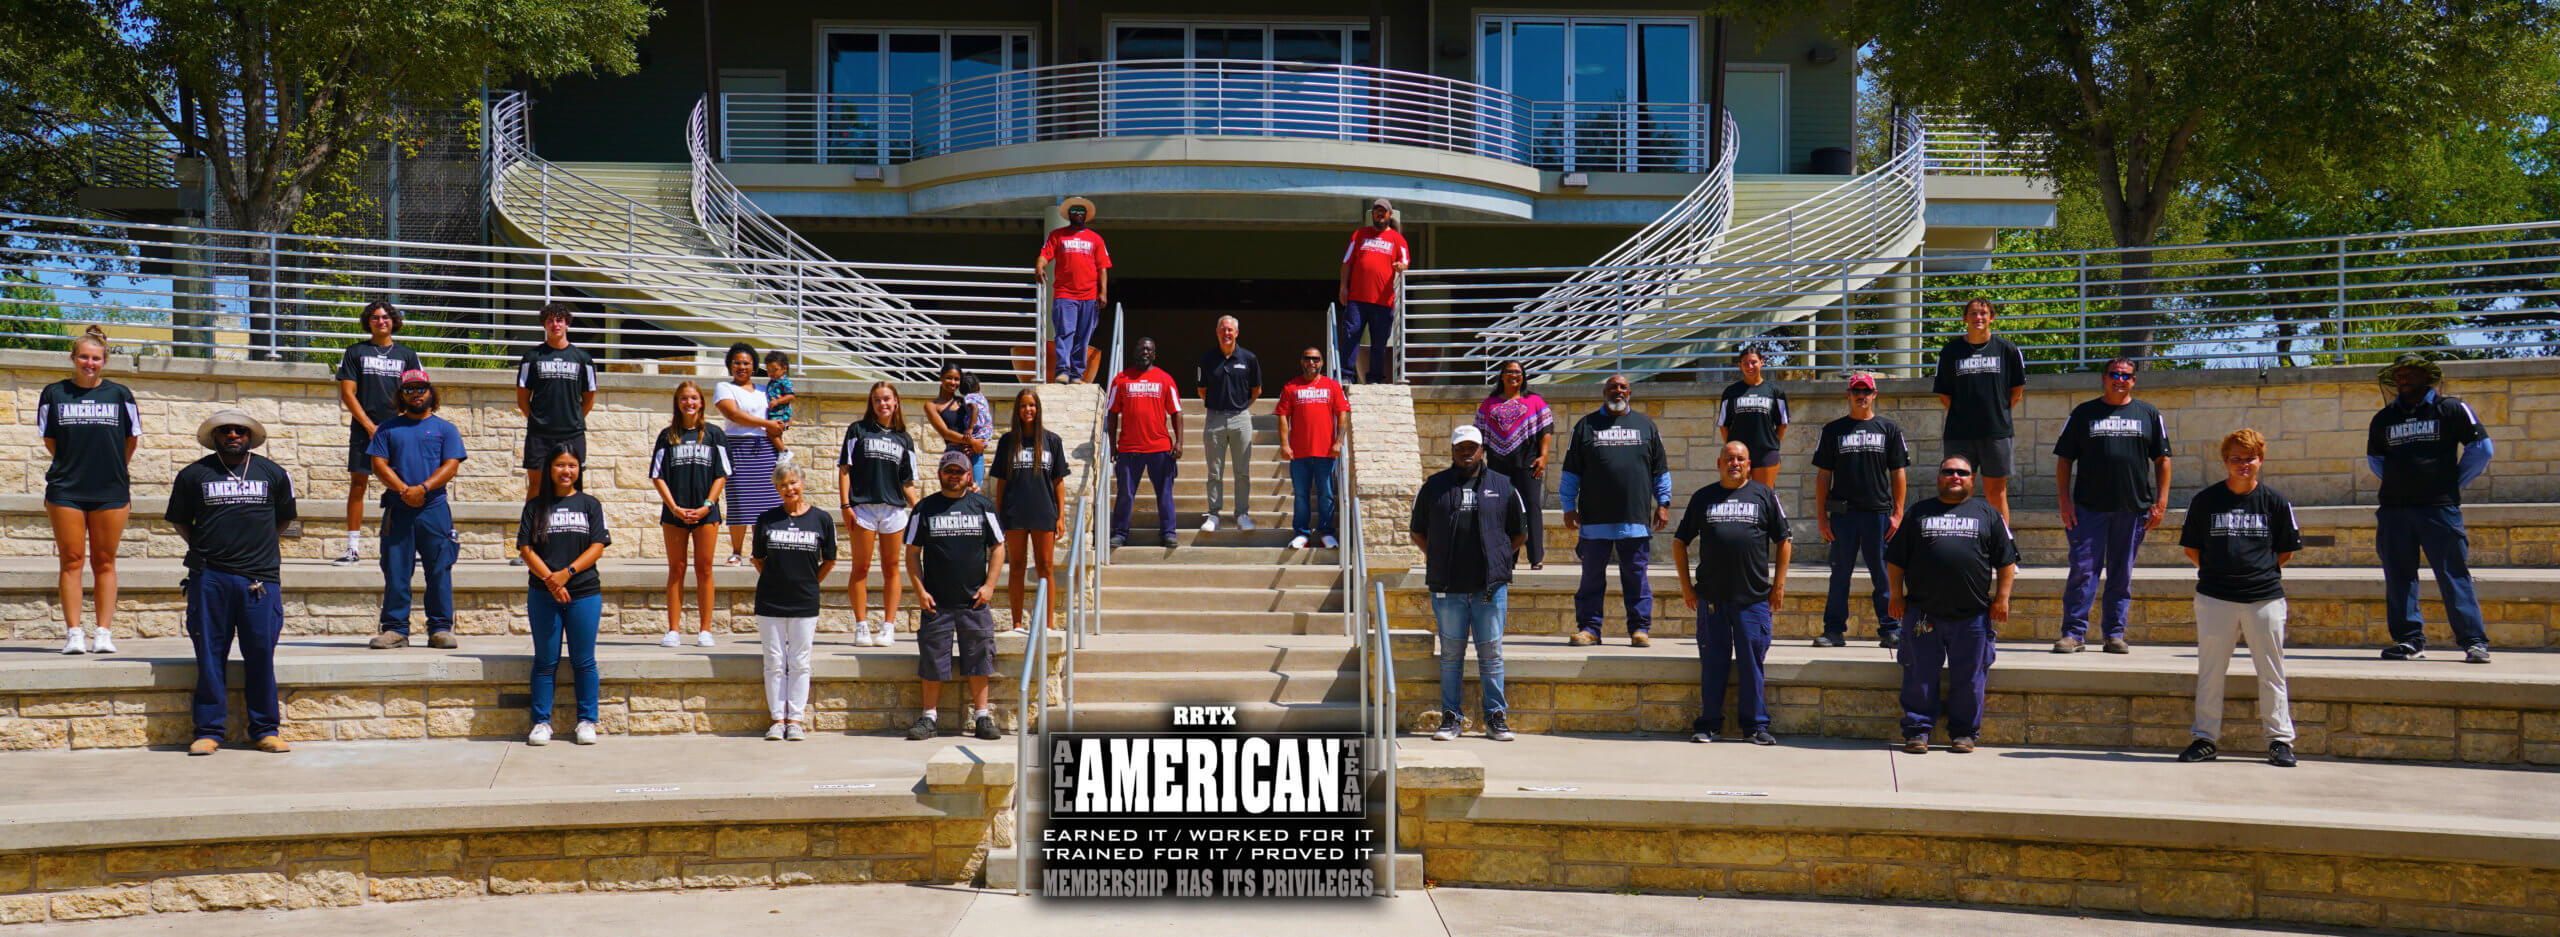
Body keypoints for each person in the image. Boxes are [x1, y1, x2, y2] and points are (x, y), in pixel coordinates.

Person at [170, 409, 296, 754]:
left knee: (260, 654)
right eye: (225, 431)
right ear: (215, 437)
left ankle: (265, 729)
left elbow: (284, 518)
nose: (232, 435)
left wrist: (257, 548)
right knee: (210, 655)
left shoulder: (272, 473)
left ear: (250, 436)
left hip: (260, 579)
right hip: (210, 577)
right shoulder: (194, 474)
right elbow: (181, 520)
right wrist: (206, 548)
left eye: (239, 430)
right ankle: (209, 731)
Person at [2179, 429, 2302, 768]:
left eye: (2249, 458)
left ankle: (2279, 741)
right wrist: (2223, 574)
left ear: (2260, 460)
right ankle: (2204, 739)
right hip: (2215, 598)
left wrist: (2253, 573)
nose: (2243, 464)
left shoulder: (2276, 503)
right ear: (2226, 461)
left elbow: (2286, 552)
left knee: (2271, 672)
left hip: (2264, 600)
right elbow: (2192, 549)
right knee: (2211, 671)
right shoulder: (2205, 501)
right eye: (2236, 458)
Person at [1885, 455, 2019, 754]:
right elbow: (1895, 559)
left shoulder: (1988, 514)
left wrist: (2002, 598)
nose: (1955, 476)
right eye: (1949, 471)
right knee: (1918, 673)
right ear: (1939, 478)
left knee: (1970, 678)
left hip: (1971, 616)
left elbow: (2007, 561)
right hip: (1923, 614)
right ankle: (1918, 731)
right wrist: (1895, 595)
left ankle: (1964, 733)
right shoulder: (1919, 512)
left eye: (1962, 472)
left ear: (1973, 479)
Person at [2368, 354, 2495, 663]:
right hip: (2394, 510)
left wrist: (2449, 484)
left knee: (2453, 574)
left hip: (2439, 509)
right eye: (2398, 374)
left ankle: (2474, 642)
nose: (2403, 378)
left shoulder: (2450, 408)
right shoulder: (2383, 418)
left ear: (2427, 377)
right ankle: (2409, 641)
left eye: (2410, 372)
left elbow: (2482, 450)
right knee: (2398, 576)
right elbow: (2377, 461)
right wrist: (2406, 483)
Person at [1410, 425, 1526, 742]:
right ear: (1452, 451)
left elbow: (1520, 532)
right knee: (1451, 656)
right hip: (1448, 589)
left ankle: (1495, 718)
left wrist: (1497, 557)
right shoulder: (1434, 487)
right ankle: (1452, 719)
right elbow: (1418, 530)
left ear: (1481, 450)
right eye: (1461, 447)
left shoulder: (1503, 486)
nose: (1467, 452)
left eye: (1472, 447)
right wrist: (1438, 557)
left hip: (1489, 588)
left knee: (1491, 654)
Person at [1673, 442, 1793, 745]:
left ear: (1749, 464)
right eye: (1729, 459)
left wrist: (1778, 586)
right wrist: (1687, 587)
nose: (1734, 463)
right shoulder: (1703, 498)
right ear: (1719, 463)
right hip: (1712, 600)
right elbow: (1679, 542)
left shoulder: (1765, 496)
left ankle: (1754, 726)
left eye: (1740, 458)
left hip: (1752, 599)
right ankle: (1708, 724)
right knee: (1713, 664)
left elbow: (1784, 540)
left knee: (1752, 665)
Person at [2052, 357, 2172, 654]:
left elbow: (2163, 460)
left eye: (2126, 376)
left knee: (2121, 573)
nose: (2120, 379)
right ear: (2103, 378)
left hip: (2132, 509)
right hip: (2087, 509)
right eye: (2114, 374)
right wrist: (2064, 501)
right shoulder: (2084, 413)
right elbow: (2065, 459)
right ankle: (2074, 634)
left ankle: (2114, 634)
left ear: (2134, 380)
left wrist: (2162, 502)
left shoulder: (2148, 414)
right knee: (2083, 571)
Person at [40, 326, 139, 655]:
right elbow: (50, 440)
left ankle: (103, 632)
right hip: (66, 488)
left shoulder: (120, 394)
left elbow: (131, 438)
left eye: (95, 358)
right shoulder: (54, 394)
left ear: (104, 361)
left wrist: (111, 468)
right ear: (73, 358)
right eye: (83, 356)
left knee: (104, 561)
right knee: (71, 560)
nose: (89, 362)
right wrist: (75, 466)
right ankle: (73, 633)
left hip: (110, 489)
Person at [1560, 374, 1670, 647]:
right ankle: (1589, 629)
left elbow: (1660, 470)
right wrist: (1567, 506)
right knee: (1591, 579)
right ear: (1604, 392)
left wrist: (1663, 503)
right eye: (1612, 387)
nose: (1618, 391)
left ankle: (1639, 629)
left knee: (1636, 577)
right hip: (1594, 520)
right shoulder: (1585, 426)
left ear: (1630, 392)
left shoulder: (1646, 426)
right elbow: (1571, 471)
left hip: (1634, 519)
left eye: (1622, 387)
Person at [905, 451, 1006, 741]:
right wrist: (920, 591)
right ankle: (929, 718)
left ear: (968, 475)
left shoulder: (982, 506)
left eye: (959, 472)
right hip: (937, 602)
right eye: (949, 471)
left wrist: (989, 586)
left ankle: (982, 717)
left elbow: (998, 546)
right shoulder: (924, 508)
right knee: (933, 661)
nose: (954, 476)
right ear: (940, 474)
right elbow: (912, 553)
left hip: (974, 601)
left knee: (979, 659)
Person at [364, 369, 465, 650]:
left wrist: (424, 489)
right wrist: (404, 490)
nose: (416, 394)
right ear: (401, 395)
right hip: (399, 509)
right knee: (396, 570)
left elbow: (451, 465)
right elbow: (379, 465)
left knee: (439, 569)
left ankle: (440, 629)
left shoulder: (446, 429)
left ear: (431, 392)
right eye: (409, 390)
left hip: (434, 509)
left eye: (421, 388)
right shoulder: (387, 429)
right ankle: (396, 629)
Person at [1810, 373, 1908, 648]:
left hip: (1878, 515)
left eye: (1866, 391)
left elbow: (1898, 473)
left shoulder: (1889, 429)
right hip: (1843, 516)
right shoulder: (1833, 430)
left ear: (1875, 394)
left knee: (1883, 575)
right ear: (1848, 394)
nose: (1861, 395)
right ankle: (1833, 631)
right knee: (1840, 574)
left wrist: (1898, 513)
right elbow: (1823, 477)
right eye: (1856, 391)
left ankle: (1890, 629)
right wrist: (1821, 518)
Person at [518, 449, 609, 746]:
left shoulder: (590, 504)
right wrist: (551, 581)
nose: (566, 471)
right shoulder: (535, 506)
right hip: (543, 594)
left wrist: (566, 574)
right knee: (546, 661)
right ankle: (542, 722)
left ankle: (586, 721)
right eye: (560, 465)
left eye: (572, 465)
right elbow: (526, 550)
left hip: (584, 592)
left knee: (584, 661)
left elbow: (597, 546)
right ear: (550, 468)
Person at [332, 301, 422, 566]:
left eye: (385, 317)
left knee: (406, 484)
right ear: (368, 321)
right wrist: (370, 426)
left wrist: (406, 422)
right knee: (358, 484)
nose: (381, 321)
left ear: (393, 321)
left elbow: (417, 391)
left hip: (400, 429)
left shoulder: (407, 354)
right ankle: (352, 548)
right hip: (364, 429)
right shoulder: (355, 352)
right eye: (375, 317)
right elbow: (347, 393)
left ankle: (413, 546)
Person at [753, 460, 836, 742]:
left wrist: (809, 582)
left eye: (793, 483)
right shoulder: (766, 519)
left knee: (800, 661)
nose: (790, 489)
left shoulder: (821, 519)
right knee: (774, 661)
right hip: (770, 602)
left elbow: (830, 560)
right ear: (777, 488)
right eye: (783, 485)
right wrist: (777, 580)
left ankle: (796, 719)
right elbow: (758, 559)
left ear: (802, 483)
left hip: (804, 602)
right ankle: (778, 719)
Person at [650, 381, 731, 648]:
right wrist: (673, 507)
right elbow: (657, 475)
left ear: (702, 402)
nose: (689, 403)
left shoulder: (714, 434)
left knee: (704, 568)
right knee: (677, 568)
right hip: (675, 512)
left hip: (706, 512)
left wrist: (708, 505)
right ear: (677, 402)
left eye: (694, 398)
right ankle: (673, 630)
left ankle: (705, 630)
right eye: (684, 398)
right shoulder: (667, 435)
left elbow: (722, 474)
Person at [1932, 298, 2027, 524]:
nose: (1978, 318)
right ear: (1965, 318)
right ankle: (1959, 540)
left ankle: (2004, 543)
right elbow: (1944, 394)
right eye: (1973, 313)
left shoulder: (2008, 350)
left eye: (1983, 313)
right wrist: (1965, 415)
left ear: (1992, 318)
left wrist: (1995, 414)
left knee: (1996, 492)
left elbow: (2017, 392)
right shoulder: (1950, 351)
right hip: (1959, 435)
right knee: (1959, 490)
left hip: (1997, 434)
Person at [840, 381, 920, 648]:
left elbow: (907, 482)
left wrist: (919, 507)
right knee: (860, 567)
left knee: (891, 568)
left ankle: (888, 627)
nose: (882, 404)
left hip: (893, 510)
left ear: (896, 401)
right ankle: (861, 626)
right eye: (877, 400)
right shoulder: (857, 430)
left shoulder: (904, 438)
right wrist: (845, 506)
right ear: (871, 403)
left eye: (887, 399)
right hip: (862, 508)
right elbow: (845, 470)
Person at [991, 389, 1069, 633]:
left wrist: (1060, 516)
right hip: (1014, 513)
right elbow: (1001, 482)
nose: (1028, 410)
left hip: (1043, 512)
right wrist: (999, 514)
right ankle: (1016, 623)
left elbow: (1058, 481)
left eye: (1032, 405)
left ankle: (1047, 624)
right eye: (1024, 406)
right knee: (1016, 566)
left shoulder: (1052, 441)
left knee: (1045, 567)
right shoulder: (1007, 442)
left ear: (1038, 409)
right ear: (1018, 410)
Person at [514, 302, 597, 502]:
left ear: (567, 323)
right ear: (544, 325)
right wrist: (539, 420)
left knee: (572, 486)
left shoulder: (583, 359)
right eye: (550, 320)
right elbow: (522, 398)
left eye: (559, 320)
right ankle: (533, 532)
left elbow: (589, 399)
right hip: (539, 435)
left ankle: (571, 532)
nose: (555, 324)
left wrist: (572, 419)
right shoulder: (531, 358)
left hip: (572, 433)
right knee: (536, 486)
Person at [1106, 337, 1183, 549]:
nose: (1145, 352)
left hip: (1160, 448)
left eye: (1149, 349)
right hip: (1130, 449)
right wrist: (1112, 444)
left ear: (1154, 354)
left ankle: (1168, 532)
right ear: (1134, 352)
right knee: (1125, 494)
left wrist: (1179, 442)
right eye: (1141, 348)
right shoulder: (1121, 379)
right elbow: (1111, 414)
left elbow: (1176, 412)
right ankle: (1120, 533)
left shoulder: (1165, 379)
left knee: (1165, 493)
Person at [715, 342, 786, 576]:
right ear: (729, 365)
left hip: (766, 449)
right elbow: (733, 414)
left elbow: (779, 412)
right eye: (737, 362)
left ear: (754, 366)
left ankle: (762, 551)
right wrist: (767, 424)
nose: (742, 367)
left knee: (766, 504)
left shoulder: (766, 390)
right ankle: (736, 551)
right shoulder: (724, 387)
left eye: (746, 363)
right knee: (739, 501)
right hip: (737, 447)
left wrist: (783, 422)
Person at [1476, 361, 1554, 570]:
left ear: (1523, 377)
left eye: (1518, 372)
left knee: (1531, 507)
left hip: (1528, 463)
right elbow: (1479, 435)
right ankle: (1507, 558)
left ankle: (1536, 557)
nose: (1514, 376)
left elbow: (1545, 430)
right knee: (1502, 510)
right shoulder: (1489, 404)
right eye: (1509, 372)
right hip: (1497, 465)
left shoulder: (1534, 401)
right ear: (1501, 376)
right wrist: (1477, 464)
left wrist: (1543, 456)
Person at [1276, 346, 1350, 551]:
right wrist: (1284, 444)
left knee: (1326, 494)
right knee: (1301, 495)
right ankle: (1301, 533)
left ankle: (1326, 533)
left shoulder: (1332, 386)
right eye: (1308, 359)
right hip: (1299, 453)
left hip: (1325, 453)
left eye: (1316, 359)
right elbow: (1283, 416)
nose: (1312, 362)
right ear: (1301, 361)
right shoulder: (1291, 387)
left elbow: (1343, 413)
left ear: (1322, 362)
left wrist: (1339, 441)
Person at [1195, 316, 1263, 533]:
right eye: (1223, 329)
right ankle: (1214, 514)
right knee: (1214, 472)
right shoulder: (1206, 360)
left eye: (1230, 330)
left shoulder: (1249, 358)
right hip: (1215, 418)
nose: (1227, 333)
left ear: (1237, 333)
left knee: (1242, 471)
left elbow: (1256, 390)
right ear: (1217, 332)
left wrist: (1240, 407)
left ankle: (1242, 514)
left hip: (1241, 419)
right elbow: (1201, 390)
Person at [1037, 196, 1109, 383]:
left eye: (1081, 211)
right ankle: (1062, 371)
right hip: (1065, 294)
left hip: (1089, 295)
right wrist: (1039, 267)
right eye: (1074, 210)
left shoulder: (1096, 239)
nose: (1078, 213)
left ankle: (1077, 374)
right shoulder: (1057, 235)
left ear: (1086, 215)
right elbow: (1045, 254)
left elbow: (1102, 267)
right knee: (1064, 332)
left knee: (1083, 335)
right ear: (1068, 214)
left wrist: (1103, 292)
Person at [1337, 197, 1409, 384]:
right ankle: (1346, 375)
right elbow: (1347, 262)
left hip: (1383, 301)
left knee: (1379, 342)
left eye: (1383, 211)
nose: (1380, 213)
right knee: (1352, 336)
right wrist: (1343, 287)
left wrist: (1401, 266)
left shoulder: (1397, 238)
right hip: (1357, 299)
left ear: (1389, 214)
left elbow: (1405, 262)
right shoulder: (1360, 234)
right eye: (1377, 210)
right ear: (1373, 214)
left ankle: (1375, 378)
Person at [1717, 345, 1789, 488]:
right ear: (1740, 366)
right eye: (1745, 363)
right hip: (1738, 457)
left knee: (1762, 497)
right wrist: (1733, 449)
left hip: (1765, 455)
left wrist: (1772, 445)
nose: (1750, 366)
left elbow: (1783, 423)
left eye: (1754, 362)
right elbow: (1723, 424)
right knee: (1738, 497)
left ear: (1762, 362)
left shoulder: (1775, 392)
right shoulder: (1731, 392)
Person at [925, 363, 993, 487]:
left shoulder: (965, 401)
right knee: (954, 496)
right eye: (949, 378)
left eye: (957, 379)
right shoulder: (932, 405)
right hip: (954, 453)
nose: (953, 382)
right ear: (941, 377)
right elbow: (945, 433)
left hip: (973, 453)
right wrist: (973, 442)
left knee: (975, 492)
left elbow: (982, 421)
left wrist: (981, 445)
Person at [762, 350, 796, 457]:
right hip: (774, 414)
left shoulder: (784, 382)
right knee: (776, 434)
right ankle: (780, 454)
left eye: (774, 370)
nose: (771, 373)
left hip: (781, 414)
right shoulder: (773, 381)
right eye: (768, 370)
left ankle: (784, 452)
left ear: (784, 368)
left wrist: (777, 401)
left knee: (770, 433)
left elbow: (791, 395)